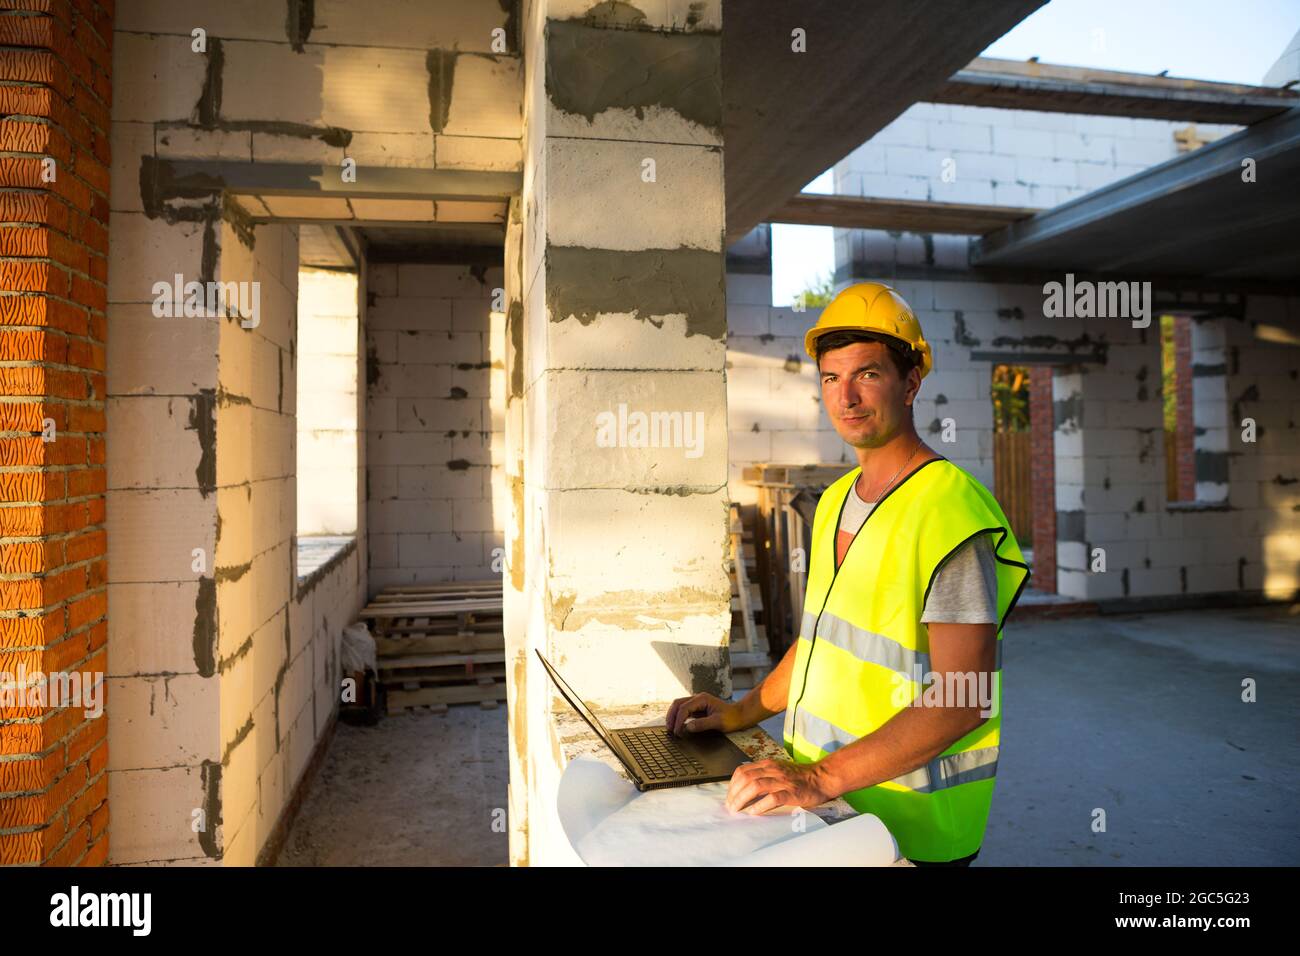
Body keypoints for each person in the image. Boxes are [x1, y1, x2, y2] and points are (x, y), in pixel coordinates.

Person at [666, 282, 1028, 866]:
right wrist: (740, 711)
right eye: (832, 378)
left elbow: (965, 699)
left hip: (909, 827)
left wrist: (818, 777)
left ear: (910, 383)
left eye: (868, 374)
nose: (847, 397)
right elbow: (820, 644)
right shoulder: (834, 500)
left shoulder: (949, 514)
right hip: (827, 809)